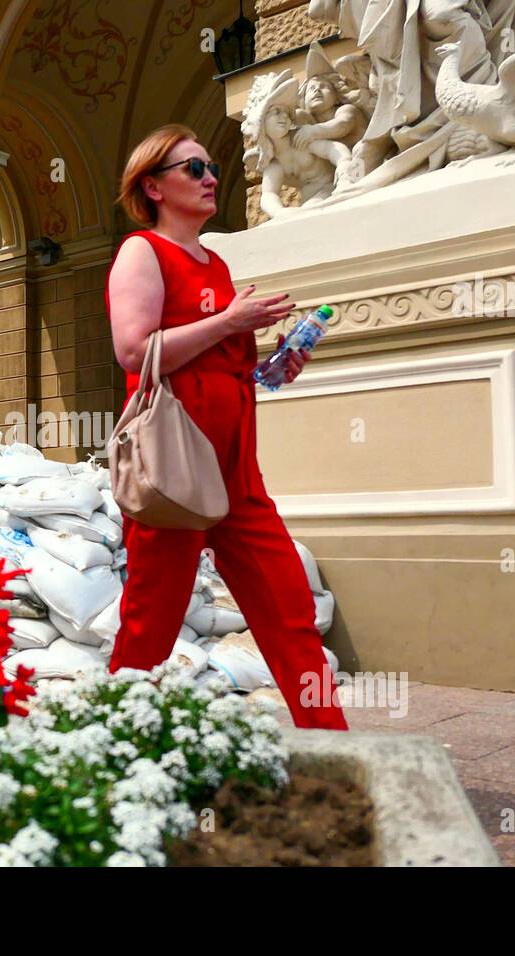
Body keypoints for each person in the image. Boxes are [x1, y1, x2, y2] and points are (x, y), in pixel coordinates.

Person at [105, 124, 348, 731]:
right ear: (153, 185)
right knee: (149, 625)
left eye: (210, 167)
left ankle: (332, 745)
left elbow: (221, 364)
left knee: (289, 612)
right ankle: (109, 747)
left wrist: (274, 364)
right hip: (172, 470)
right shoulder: (142, 251)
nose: (211, 177)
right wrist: (230, 319)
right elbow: (135, 352)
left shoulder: (215, 262)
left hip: (238, 472)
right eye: (193, 169)